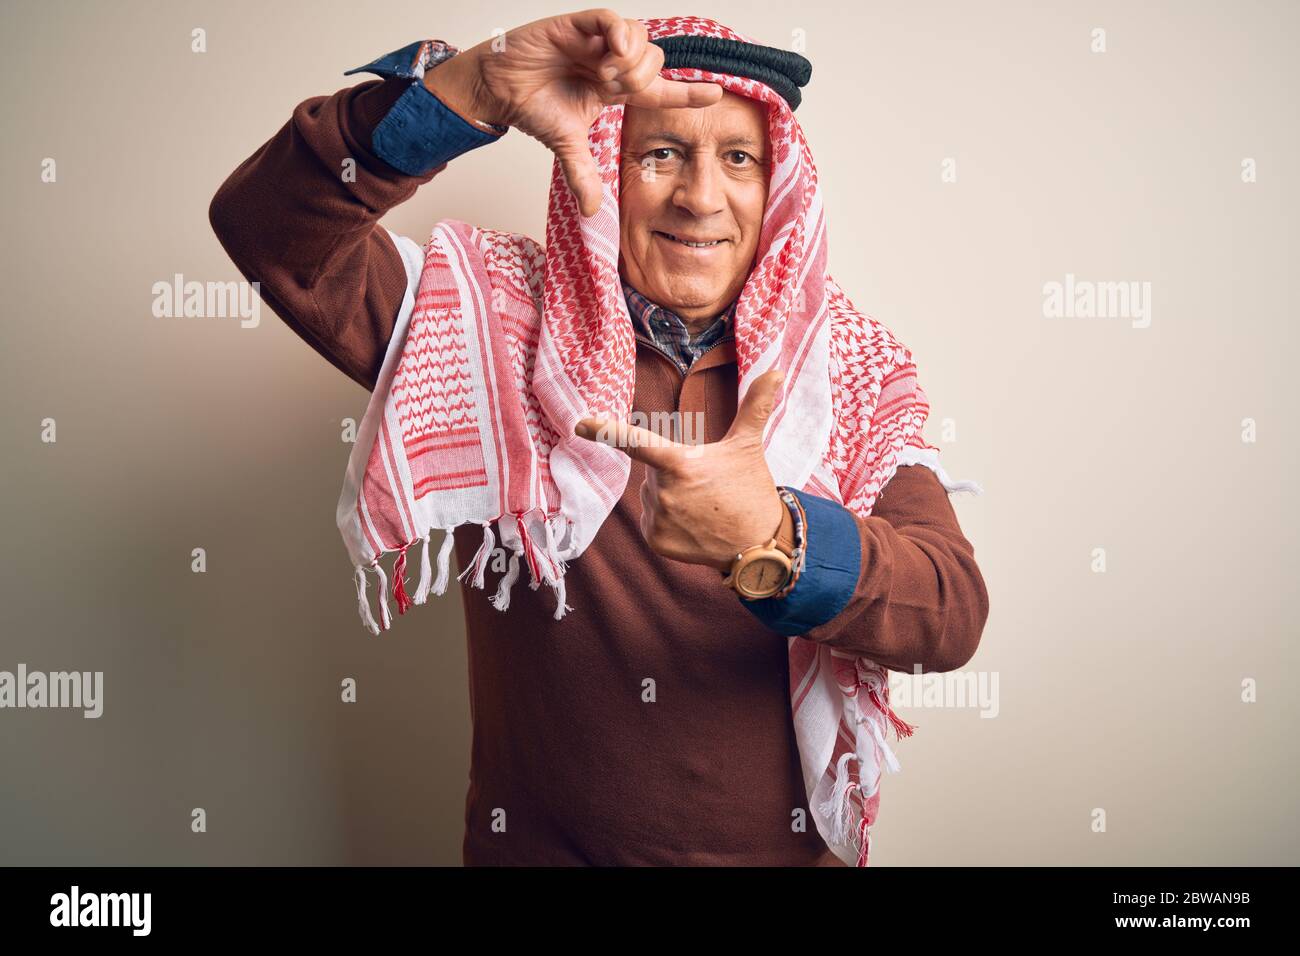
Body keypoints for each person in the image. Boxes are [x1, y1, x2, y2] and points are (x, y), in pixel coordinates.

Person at [209, 9, 990, 867]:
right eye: (661, 154)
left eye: (739, 157)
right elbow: (268, 231)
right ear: (606, 169)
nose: (700, 196)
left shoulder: (848, 369)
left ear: (778, 192)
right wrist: (467, 88)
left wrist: (778, 540)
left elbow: (949, 612)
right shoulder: (485, 320)